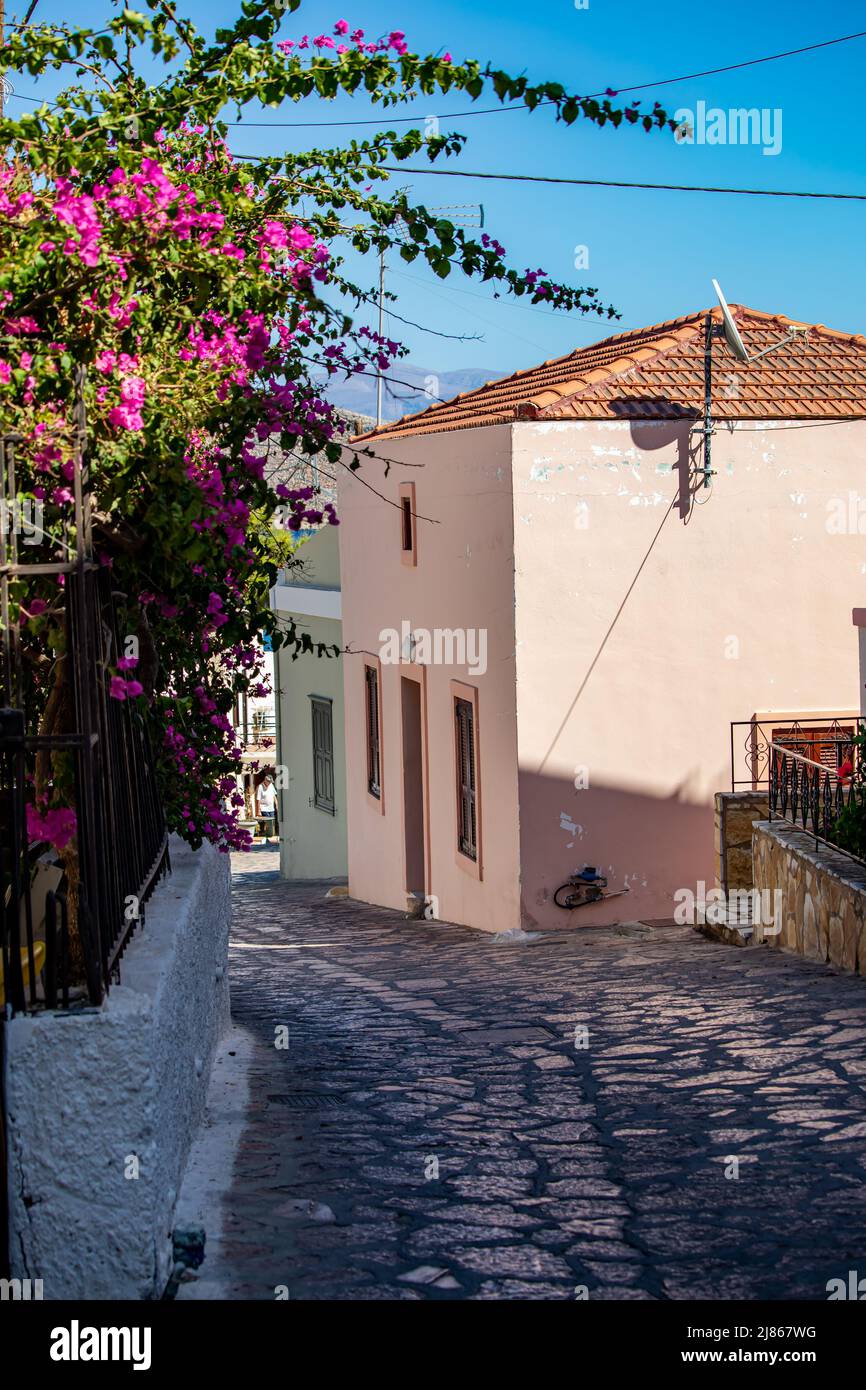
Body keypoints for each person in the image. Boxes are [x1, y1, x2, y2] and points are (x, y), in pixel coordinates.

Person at [256, 774, 278, 843]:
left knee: (271, 823)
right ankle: (266, 837)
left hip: (271, 808)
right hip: (264, 808)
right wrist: (258, 810)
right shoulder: (260, 787)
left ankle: (269, 837)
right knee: (267, 823)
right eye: (269, 781)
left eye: (271, 782)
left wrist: (277, 805)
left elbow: (274, 796)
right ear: (265, 780)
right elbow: (258, 800)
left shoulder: (271, 785)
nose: (270, 783)